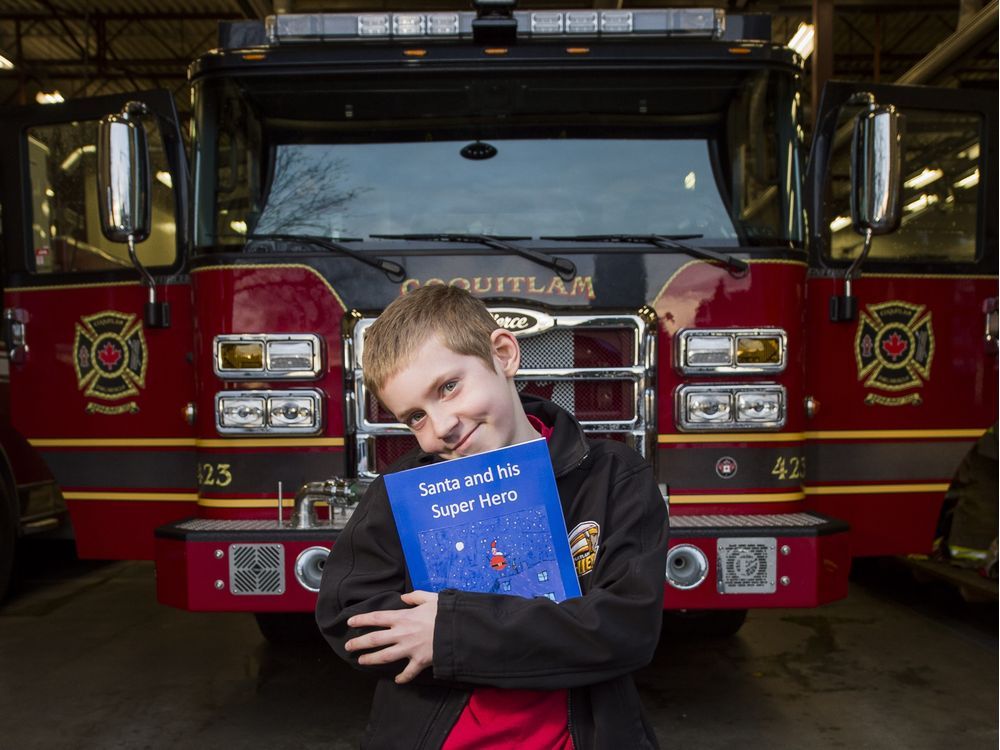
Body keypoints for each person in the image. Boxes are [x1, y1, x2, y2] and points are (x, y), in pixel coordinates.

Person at [316, 285, 669, 749]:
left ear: (503, 354)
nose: (441, 427)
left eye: (449, 387)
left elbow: (627, 628)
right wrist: (553, 630)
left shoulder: (615, 479)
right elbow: (348, 615)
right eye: (415, 417)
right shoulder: (398, 492)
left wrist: (449, 634)